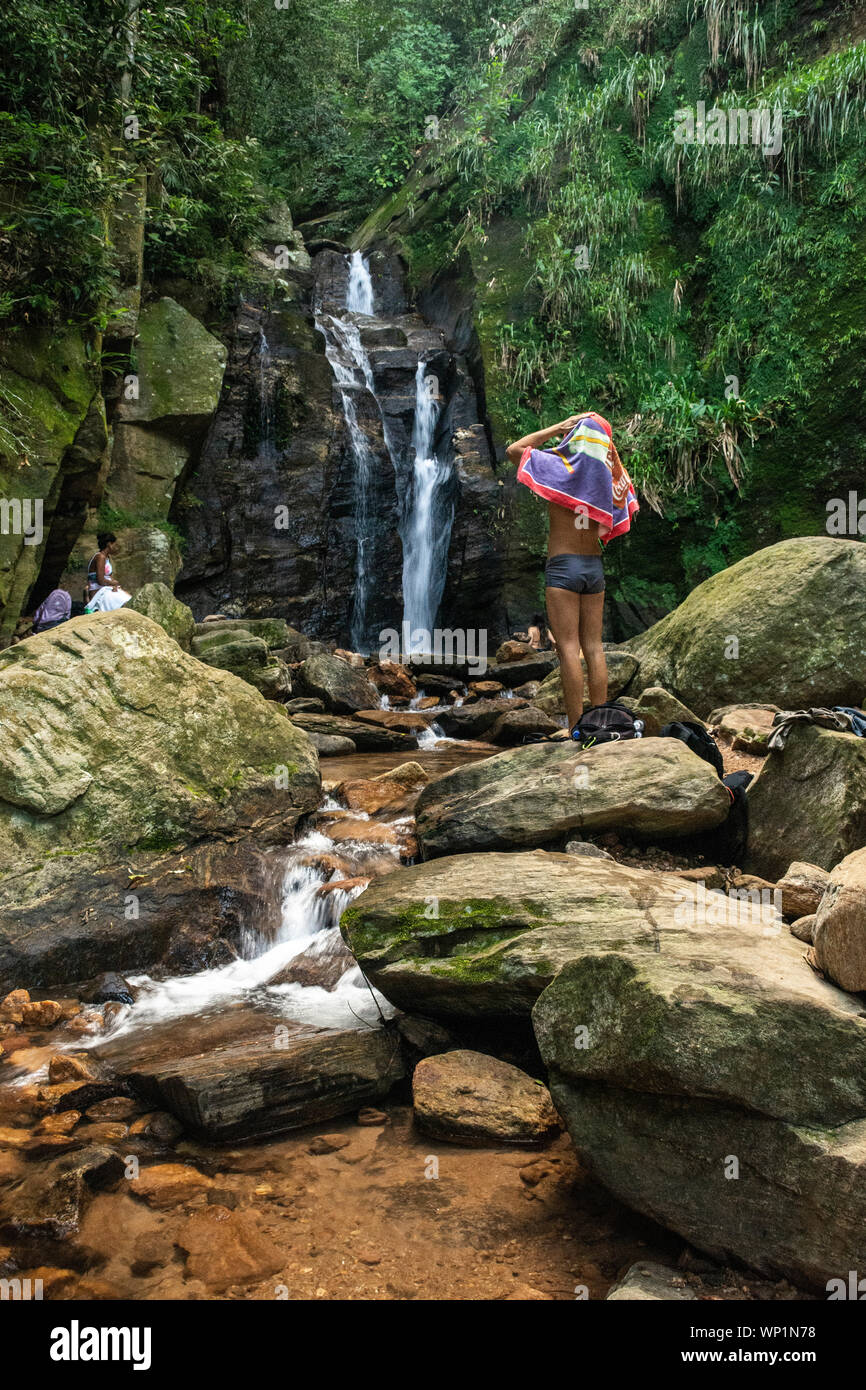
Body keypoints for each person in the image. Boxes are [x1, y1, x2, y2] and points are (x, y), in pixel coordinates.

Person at [507, 411, 638, 734]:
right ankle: (601, 721)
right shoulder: (604, 480)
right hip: (593, 567)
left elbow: (514, 450)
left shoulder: (558, 470)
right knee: (593, 646)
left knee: (567, 648)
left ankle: (578, 726)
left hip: (564, 567)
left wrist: (555, 427)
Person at [87, 532, 121, 601]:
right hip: (97, 592)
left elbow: (109, 577)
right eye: (115, 545)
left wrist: (114, 585)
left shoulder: (107, 558)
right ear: (109, 544)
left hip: (105, 589)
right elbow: (101, 580)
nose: (116, 548)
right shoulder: (100, 557)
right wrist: (114, 583)